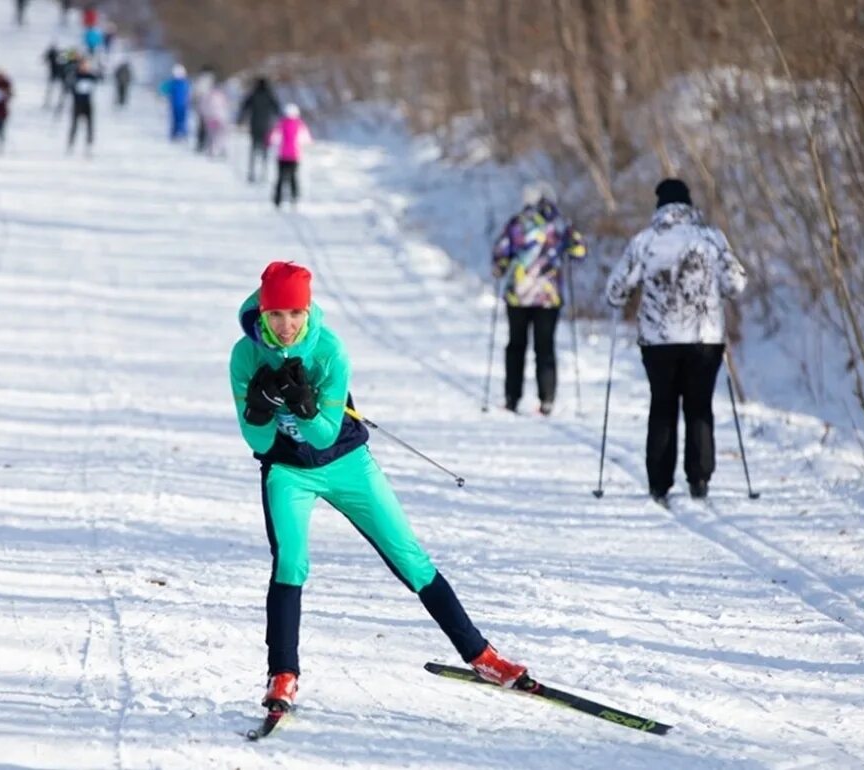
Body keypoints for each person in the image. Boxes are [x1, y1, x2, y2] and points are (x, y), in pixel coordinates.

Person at [229, 261, 530, 713]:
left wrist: (305, 407)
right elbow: (255, 441)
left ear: (308, 311)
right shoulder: (245, 355)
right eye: (276, 315)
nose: (286, 326)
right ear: (263, 313)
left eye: (295, 314)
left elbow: (325, 435)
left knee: (410, 556)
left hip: (347, 463)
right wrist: (259, 410)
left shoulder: (330, 351)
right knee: (291, 563)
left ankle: (481, 656)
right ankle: (282, 675)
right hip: (288, 471)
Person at [606, 179, 747, 504]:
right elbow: (736, 283)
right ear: (688, 205)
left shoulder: (646, 241)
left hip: (659, 341)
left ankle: (659, 484)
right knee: (699, 406)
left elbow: (615, 290)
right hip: (705, 339)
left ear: (660, 206)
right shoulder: (711, 238)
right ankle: (699, 478)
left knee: (663, 406)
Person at [490, 182, 587, 415]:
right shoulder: (561, 225)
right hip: (548, 297)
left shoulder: (517, 224)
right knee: (545, 348)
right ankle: (547, 400)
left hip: (519, 297)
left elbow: (500, 257)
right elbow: (579, 251)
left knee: (516, 347)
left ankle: (512, 398)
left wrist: (502, 269)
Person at [237, 77, 281, 183]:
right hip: (266, 126)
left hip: (254, 125)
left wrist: (240, 120)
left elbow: (245, 107)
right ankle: (263, 172)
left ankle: (252, 172)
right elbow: (277, 109)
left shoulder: (253, 94)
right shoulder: (270, 95)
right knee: (265, 150)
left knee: (253, 150)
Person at [267, 104, 311, 208]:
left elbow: (274, 138)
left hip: (281, 155)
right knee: (293, 177)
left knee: (280, 178)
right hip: (295, 156)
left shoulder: (280, 124)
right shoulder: (300, 125)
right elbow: (306, 139)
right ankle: (294, 197)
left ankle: (277, 199)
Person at [67, 57, 101, 154]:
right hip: (77, 104)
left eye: (86, 65)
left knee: (89, 126)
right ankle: (71, 144)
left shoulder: (90, 76)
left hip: (87, 104)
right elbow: (69, 85)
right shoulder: (75, 75)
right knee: (74, 125)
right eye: (83, 65)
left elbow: (100, 78)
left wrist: (100, 69)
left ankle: (89, 145)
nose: (85, 67)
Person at [191, 65, 216, 154]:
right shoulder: (211, 81)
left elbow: (195, 94)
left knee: (203, 127)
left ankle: (202, 144)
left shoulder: (200, 80)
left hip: (203, 107)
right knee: (209, 127)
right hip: (210, 108)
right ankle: (208, 145)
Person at [160, 64, 189, 141]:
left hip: (181, 104)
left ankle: (181, 133)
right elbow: (163, 89)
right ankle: (176, 134)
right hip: (177, 104)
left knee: (181, 120)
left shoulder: (183, 83)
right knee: (177, 120)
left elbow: (163, 89)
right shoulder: (175, 83)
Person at [200, 83, 230, 158]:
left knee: (212, 135)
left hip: (210, 118)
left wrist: (204, 116)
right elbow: (226, 107)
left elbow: (202, 107)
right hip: (220, 118)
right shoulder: (222, 96)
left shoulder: (207, 96)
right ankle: (220, 150)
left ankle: (212, 150)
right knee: (221, 135)